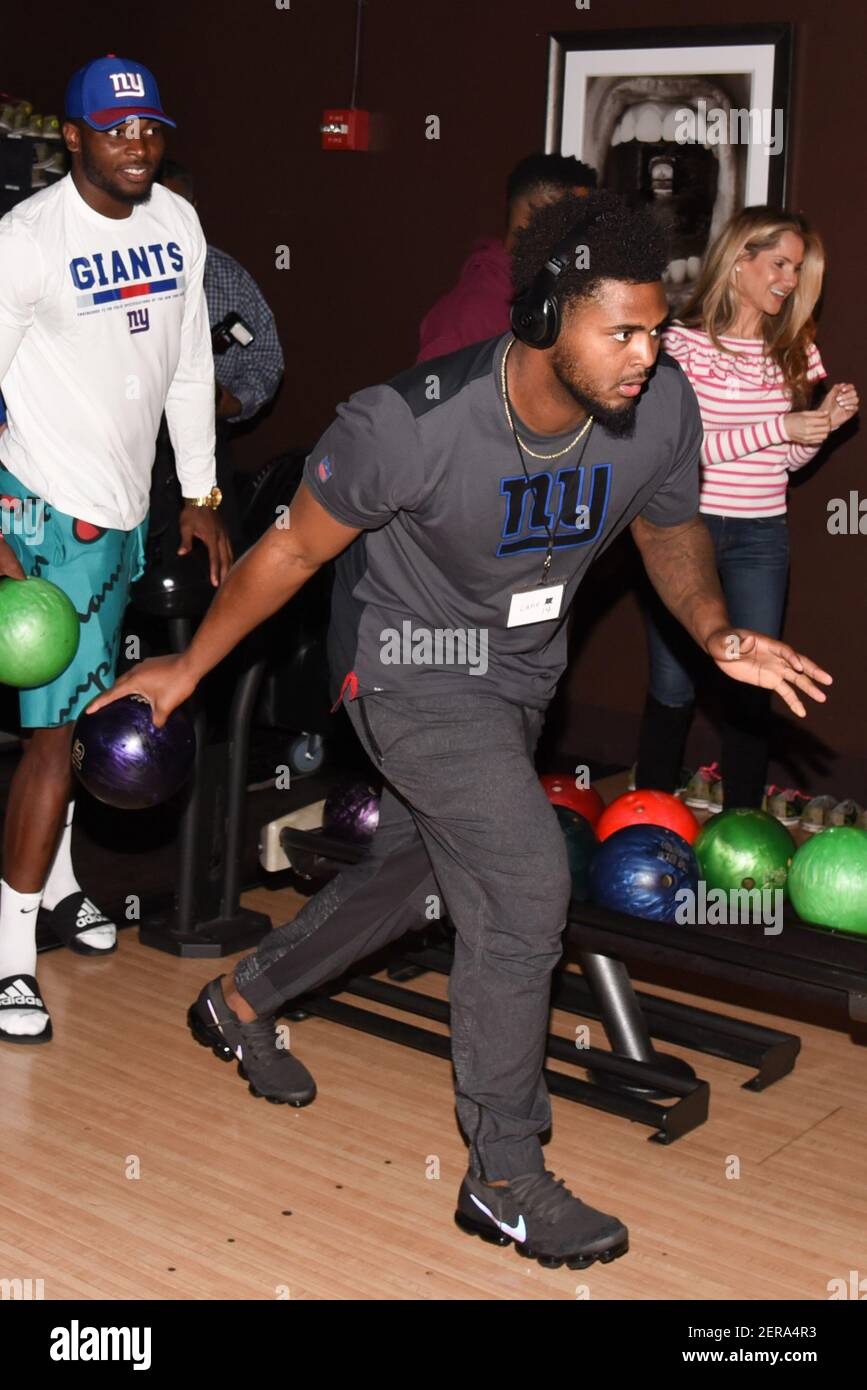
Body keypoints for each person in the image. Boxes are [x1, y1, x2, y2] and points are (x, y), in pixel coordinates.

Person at [89, 190, 831, 1268]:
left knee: (434, 875)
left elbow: (672, 531)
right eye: (619, 331)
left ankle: (241, 998)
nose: (645, 355)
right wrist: (189, 668)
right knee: (526, 880)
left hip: (522, 676)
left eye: (656, 329)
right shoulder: (409, 423)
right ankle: (505, 1176)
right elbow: (293, 552)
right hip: (401, 664)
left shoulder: (661, 408)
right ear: (543, 318)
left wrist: (717, 631)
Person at [0, 54, 232, 1044]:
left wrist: (204, 491)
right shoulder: (26, 239)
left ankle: (58, 886)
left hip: (126, 516)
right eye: (115, 129)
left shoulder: (176, 222)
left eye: (149, 128)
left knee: (93, 697)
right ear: (73, 136)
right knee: (55, 736)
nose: (137, 145)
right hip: (44, 512)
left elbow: (189, 364)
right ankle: (10, 954)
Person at [635, 207, 857, 810]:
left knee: (753, 687)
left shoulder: (796, 351)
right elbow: (690, 452)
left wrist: (814, 434)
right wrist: (780, 424)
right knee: (673, 684)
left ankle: (742, 828)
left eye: (797, 267)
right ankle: (646, 821)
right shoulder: (679, 344)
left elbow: (779, 467)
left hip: (763, 536)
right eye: (779, 263)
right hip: (685, 534)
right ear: (740, 259)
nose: (789, 279)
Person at [416, 152, 596, 361]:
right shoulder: (468, 314)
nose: (586, 237)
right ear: (536, 220)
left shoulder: (546, 295)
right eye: (576, 223)